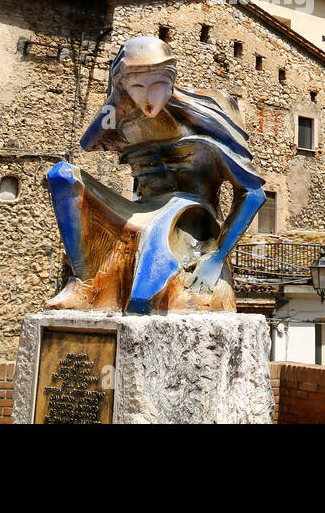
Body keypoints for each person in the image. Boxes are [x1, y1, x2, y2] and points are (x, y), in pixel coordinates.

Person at [47, 35, 266, 314]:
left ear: (171, 81)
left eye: (159, 85)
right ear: (124, 87)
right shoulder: (123, 118)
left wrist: (216, 258)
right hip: (140, 210)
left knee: (146, 294)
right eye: (138, 86)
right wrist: (116, 97)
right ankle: (85, 283)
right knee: (61, 176)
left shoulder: (204, 118)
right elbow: (88, 143)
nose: (150, 99)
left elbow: (253, 193)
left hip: (192, 216)